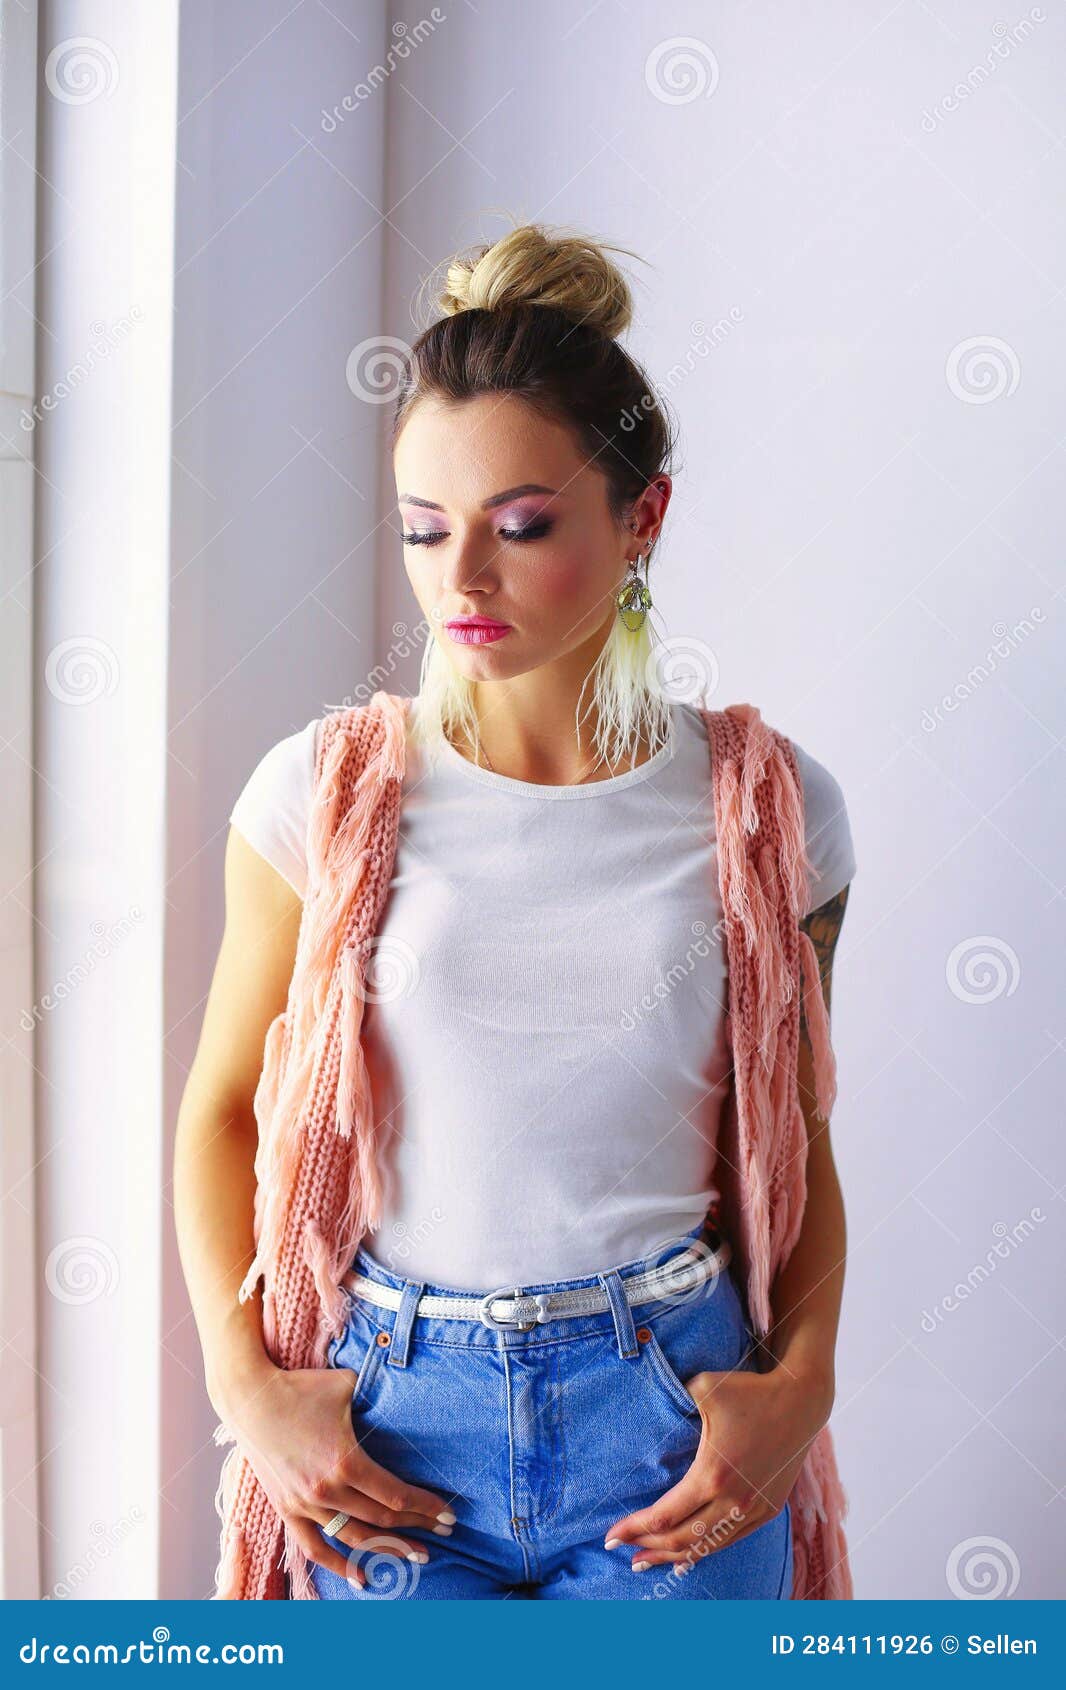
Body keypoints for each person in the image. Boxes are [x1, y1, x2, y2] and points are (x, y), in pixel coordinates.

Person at [174, 222, 856, 1600]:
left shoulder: (768, 808)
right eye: (426, 530)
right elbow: (222, 1110)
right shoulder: (320, 794)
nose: (458, 580)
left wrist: (801, 1383)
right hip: (387, 1428)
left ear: (641, 519)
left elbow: (794, 1132)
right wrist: (246, 1387)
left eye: (521, 526)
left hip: (669, 1415)